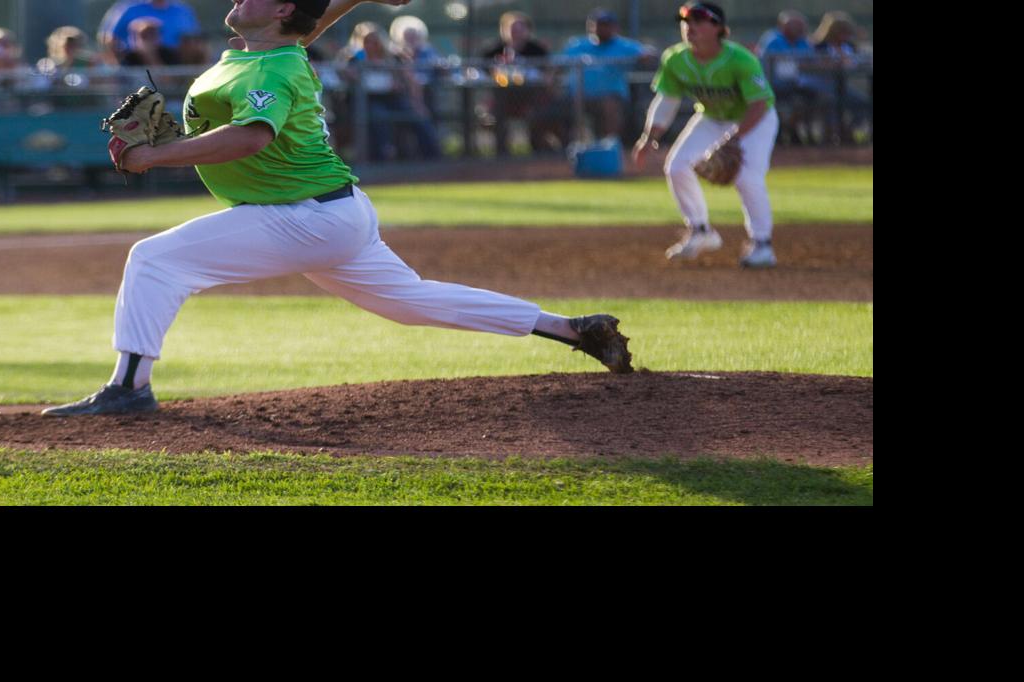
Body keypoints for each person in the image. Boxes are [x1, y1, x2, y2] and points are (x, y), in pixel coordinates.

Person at [42, 0, 632, 417]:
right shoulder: (267, 50)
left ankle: (130, 387)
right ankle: (572, 329)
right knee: (409, 302)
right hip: (332, 214)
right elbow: (302, 19)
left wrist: (153, 156)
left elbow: (251, 137)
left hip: (304, 216)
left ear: (279, 11)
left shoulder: (274, 66)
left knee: (154, 260)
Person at [631, 2, 778, 269]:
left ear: (719, 28)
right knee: (676, 166)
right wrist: (648, 137)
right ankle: (701, 231)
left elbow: (759, 104)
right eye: (686, 21)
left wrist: (734, 139)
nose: (690, 27)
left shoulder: (740, 59)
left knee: (747, 176)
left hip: (754, 119)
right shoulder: (675, 59)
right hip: (711, 118)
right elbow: (666, 101)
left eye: (699, 21)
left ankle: (762, 244)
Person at [341, 22, 439, 161]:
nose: (371, 46)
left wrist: (418, 103)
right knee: (378, 116)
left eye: (375, 42)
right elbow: (344, 75)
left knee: (418, 117)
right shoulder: (356, 59)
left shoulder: (394, 58)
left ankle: (433, 156)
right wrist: (352, 75)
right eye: (367, 42)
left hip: (393, 98)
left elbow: (412, 81)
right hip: (369, 100)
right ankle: (382, 157)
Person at [558, 9, 655, 147]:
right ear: (590, 26)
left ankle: (609, 146)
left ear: (614, 27)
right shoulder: (577, 45)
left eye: (607, 25)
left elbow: (648, 53)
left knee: (610, 106)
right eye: (599, 24)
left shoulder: (623, 45)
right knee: (554, 108)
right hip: (577, 98)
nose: (603, 28)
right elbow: (556, 64)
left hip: (611, 97)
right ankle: (564, 149)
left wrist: (645, 56)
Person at [478, 12, 558, 156]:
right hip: (503, 97)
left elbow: (549, 73)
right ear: (503, 31)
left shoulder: (537, 50)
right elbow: (480, 72)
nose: (516, 34)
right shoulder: (493, 50)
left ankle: (537, 149)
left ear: (528, 31)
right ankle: (501, 153)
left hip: (531, 96)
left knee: (540, 109)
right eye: (512, 29)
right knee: (495, 108)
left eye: (520, 29)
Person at [756, 10, 825, 145]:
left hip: (798, 85)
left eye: (802, 27)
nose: (801, 30)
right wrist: (800, 64)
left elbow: (813, 61)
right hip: (773, 86)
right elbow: (776, 65)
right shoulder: (772, 40)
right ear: (784, 27)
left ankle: (795, 131)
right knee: (791, 102)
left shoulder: (802, 41)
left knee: (819, 97)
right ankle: (785, 131)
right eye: (796, 26)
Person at [812, 10, 871, 143]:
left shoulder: (849, 46)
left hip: (842, 86)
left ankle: (847, 131)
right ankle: (831, 135)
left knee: (864, 103)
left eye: (847, 32)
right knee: (831, 102)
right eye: (842, 31)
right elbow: (815, 66)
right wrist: (834, 63)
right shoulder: (819, 46)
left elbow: (859, 61)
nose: (845, 35)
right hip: (821, 86)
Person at [99, 0, 204, 65]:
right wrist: (115, 62)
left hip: (176, 61)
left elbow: (195, 38)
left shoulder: (183, 10)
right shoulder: (127, 8)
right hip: (136, 61)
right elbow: (107, 38)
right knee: (148, 50)